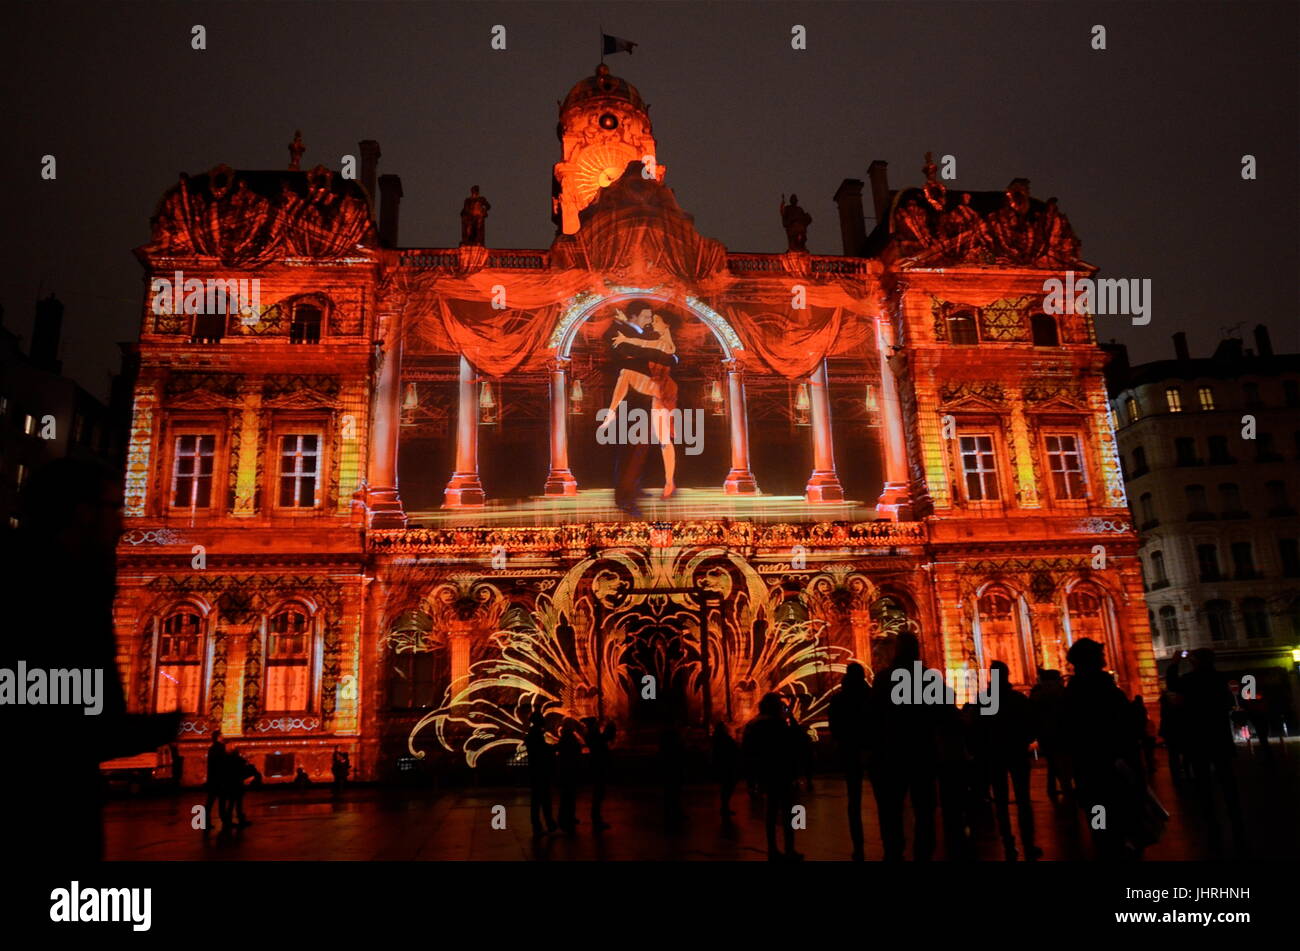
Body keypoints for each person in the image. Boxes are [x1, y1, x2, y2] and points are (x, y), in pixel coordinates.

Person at [0, 459, 177, 861]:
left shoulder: (66, 577)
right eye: (114, 509)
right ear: (82, 513)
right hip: (47, 804)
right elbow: (63, 716)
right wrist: (161, 726)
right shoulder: (62, 590)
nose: (122, 524)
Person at [1061, 637, 1145, 859]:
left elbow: (1068, 729)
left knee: (1098, 814)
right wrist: (1136, 711)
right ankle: (1119, 846)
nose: (1104, 659)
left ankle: (1103, 845)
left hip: (1088, 768)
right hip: (1114, 766)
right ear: (1094, 660)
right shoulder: (1106, 689)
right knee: (1119, 810)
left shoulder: (1072, 691)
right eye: (1101, 656)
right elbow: (1126, 725)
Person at [869, 632, 940, 861]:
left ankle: (893, 849)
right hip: (923, 752)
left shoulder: (884, 678)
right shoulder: (928, 678)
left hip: (892, 752)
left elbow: (873, 716)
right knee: (925, 808)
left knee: (891, 808)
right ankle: (924, 850)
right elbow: (941, 715)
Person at [601, 304, 679, 515]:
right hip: (637, 399)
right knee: (633, 451)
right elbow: (638, 349)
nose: (650, 321)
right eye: (647, 316)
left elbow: (648, 343)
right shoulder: (617, 333)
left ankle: (634, 490)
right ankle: (626, 498)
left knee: (644, 449)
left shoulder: (649, 336)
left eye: (653, 318)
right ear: (634, 316)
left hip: (650, 394)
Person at [973, 662, 1042, 861]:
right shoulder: (1017, 698)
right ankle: (1029, 843)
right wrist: (1026, 741)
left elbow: (980, 728)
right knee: (1023, 799)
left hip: (994, 754)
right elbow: (1031, 723)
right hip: (1017, 752)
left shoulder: (986, 699)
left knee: (1001, 801)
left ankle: (1008, 843)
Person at [1177, 649, 1246, 844]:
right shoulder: (1219, 678)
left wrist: (1175, 663)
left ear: (1196, 661)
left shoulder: (1190, 679)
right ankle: (1235, 817)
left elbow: (1174, 685)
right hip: (1219, 736)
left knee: (1203, 781)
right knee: (1227, 779)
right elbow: (1227, 703)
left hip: (1199, 738)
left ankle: (1210, 820)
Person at [743, 693, 803, 861]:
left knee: (770, 812)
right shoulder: (778, 724)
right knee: (790, 812)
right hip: (782, 772)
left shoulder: (753, 724)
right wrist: (790, 716)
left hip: (765, 773)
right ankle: (790, 848)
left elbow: (748, 751)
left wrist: (753, 776)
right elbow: (794, 741)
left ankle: (772, 848)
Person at [829, 663, 872, 860]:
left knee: (853, 800)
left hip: (848, 749)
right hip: (872, 749)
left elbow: (834, 725)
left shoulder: (839, 698)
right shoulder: (871, 696)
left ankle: (858, 845)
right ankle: (892, 844)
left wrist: (840, 740)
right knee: (886, 797)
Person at [1029, 669, 1072, 798]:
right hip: (1062, 735)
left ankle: (1054, 788)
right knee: (1062, 765)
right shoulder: (1063, 693)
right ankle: (1065, 791)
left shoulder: (1037, 695)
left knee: (1053, 762)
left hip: (1046, 736)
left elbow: (1032, 716)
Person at [524, 712, 557, 836]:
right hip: (540, 770)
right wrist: (553, 748)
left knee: (537, 799)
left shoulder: (532, 734)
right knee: (543, 798)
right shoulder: (536, 735)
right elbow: (542, 750)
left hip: (535, 770)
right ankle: (546, 823)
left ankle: (540, 824)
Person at [584, 718, 615, 830]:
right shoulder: (594, 736)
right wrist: (610, 727)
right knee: (598, 793)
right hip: (599, 767)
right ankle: (596, 819)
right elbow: (607, 737)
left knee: (598, 793)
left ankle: (596, 818)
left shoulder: (590, 735)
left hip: (596, 767)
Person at [555, 721, 583, 833]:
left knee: (566, 796)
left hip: (565, 771)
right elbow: (576, 753)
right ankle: (567, 817)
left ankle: (565, 817)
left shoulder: (564, 740)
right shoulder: (570, 740)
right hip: (570, 771)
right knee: (569, 796)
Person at [711, 722, 740, 817]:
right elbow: (733, 749)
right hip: (728, 766)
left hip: (723, 766)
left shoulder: (717, 739)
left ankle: (725, 807)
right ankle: (724, 807)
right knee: (727, 787)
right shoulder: (725, 739)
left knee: (725, 787)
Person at [204, 731, 227, 829]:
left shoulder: (211, 748)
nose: (223, 737)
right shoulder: (221, 748)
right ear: (218, 737)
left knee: (210, 802)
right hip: (220, 778)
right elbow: (223, 763)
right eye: (221, 735)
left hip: (212, 778)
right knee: (221, 801)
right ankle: (224, 819)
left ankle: (206, 821)